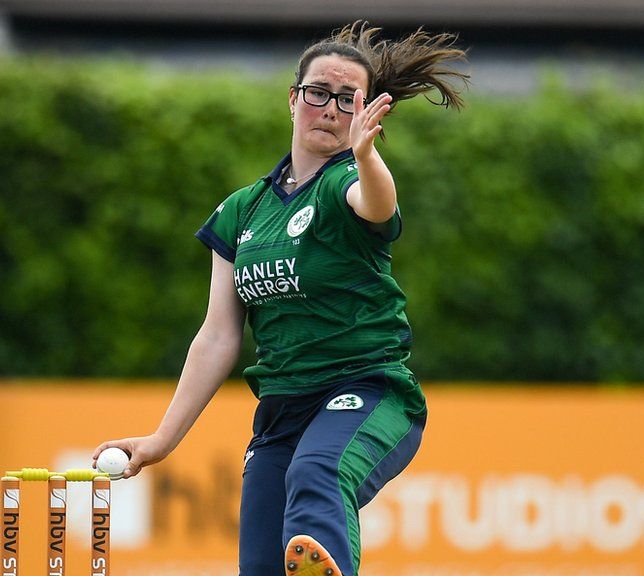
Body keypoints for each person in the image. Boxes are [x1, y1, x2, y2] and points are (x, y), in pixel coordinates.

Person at [94, 21, 467, 576]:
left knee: (316, 473)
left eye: (348, 99)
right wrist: (161, 439)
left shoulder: (348, 183)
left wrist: (366, 156)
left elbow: (379, 204)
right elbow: (219, 333)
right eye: (319, 93)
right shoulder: (242, 210)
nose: (331, 108)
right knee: (263, 563)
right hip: (281, 411)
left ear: (366, 114)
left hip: (369, 393)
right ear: (293, 100)